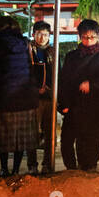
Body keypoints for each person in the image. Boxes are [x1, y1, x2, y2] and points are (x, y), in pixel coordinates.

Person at [58, 18, 99, 172]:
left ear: (98, 36)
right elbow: (63, 80)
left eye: (92, 37)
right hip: (74, 103)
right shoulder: (72, 56)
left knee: (92, 138)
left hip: (94, 103)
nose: (88, 41)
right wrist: (63, 104)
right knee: (67, 139)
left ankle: (89, 167)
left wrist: (92, 84)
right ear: (80, 37)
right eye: (85, 37)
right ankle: (71, 168)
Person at [0, 17, 40, 177]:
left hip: (7, 94)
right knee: (21, 136)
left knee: (4, 134)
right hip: (25, 95)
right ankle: (15, 170)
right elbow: (30, 68)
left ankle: (4, 169)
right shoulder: (25, 43)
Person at [30, 20, 55, 173]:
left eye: (45, 35)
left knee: (49, 133)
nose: (42, 38)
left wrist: (51, 89)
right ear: (33, 34)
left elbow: (57, 72)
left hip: (50, 96)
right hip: (34, 97)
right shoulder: (28, 50)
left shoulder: (52, 51)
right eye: (39, 34)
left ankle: (47, 163)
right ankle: (32, 165)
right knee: (32, 132)